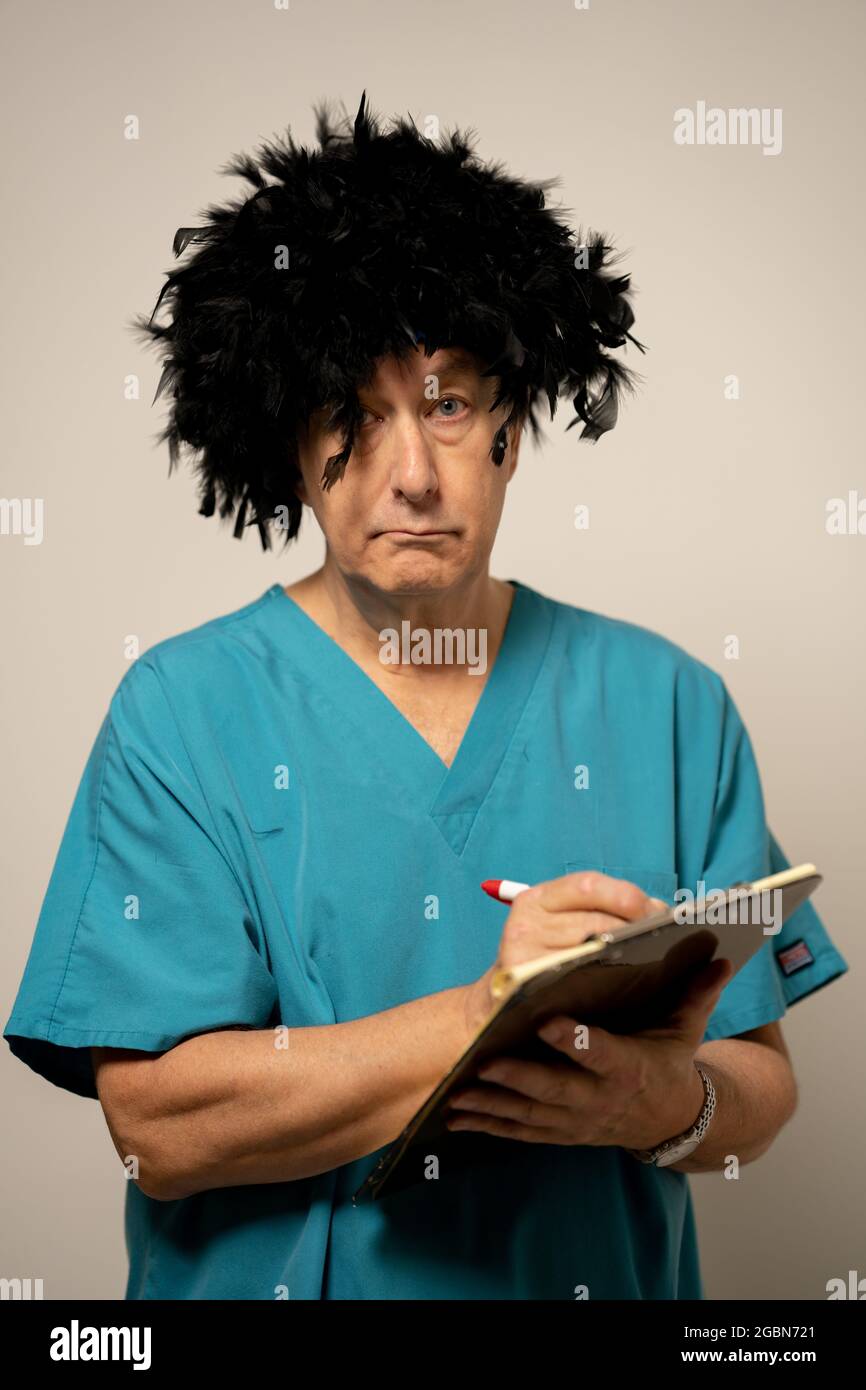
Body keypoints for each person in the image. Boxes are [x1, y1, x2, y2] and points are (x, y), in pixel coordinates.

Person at [4, 93, 847, 1301]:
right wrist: (490, 1012)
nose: (409, 473)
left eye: (448, 403)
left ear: (511, 425)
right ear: (285, 438)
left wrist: (661, 1102)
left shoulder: (667, 704)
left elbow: (755, 1086)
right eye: (352, 410)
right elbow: (160, 1130)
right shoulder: (180, 713)